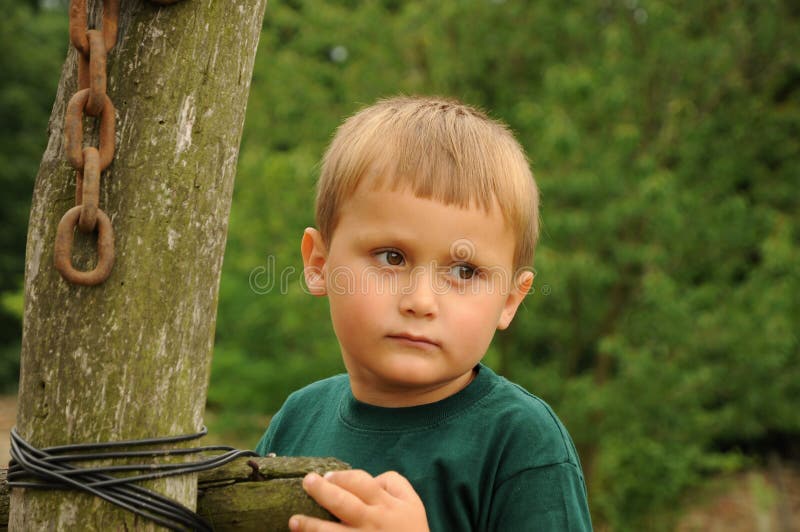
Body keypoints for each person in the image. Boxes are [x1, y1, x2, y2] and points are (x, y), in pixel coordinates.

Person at [255, 96, 592, 531]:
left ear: (510, 299)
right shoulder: (298, 420)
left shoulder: (520, 442)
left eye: (464, 271)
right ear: (320, 265)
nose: (421, 301)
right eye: (392, 257)